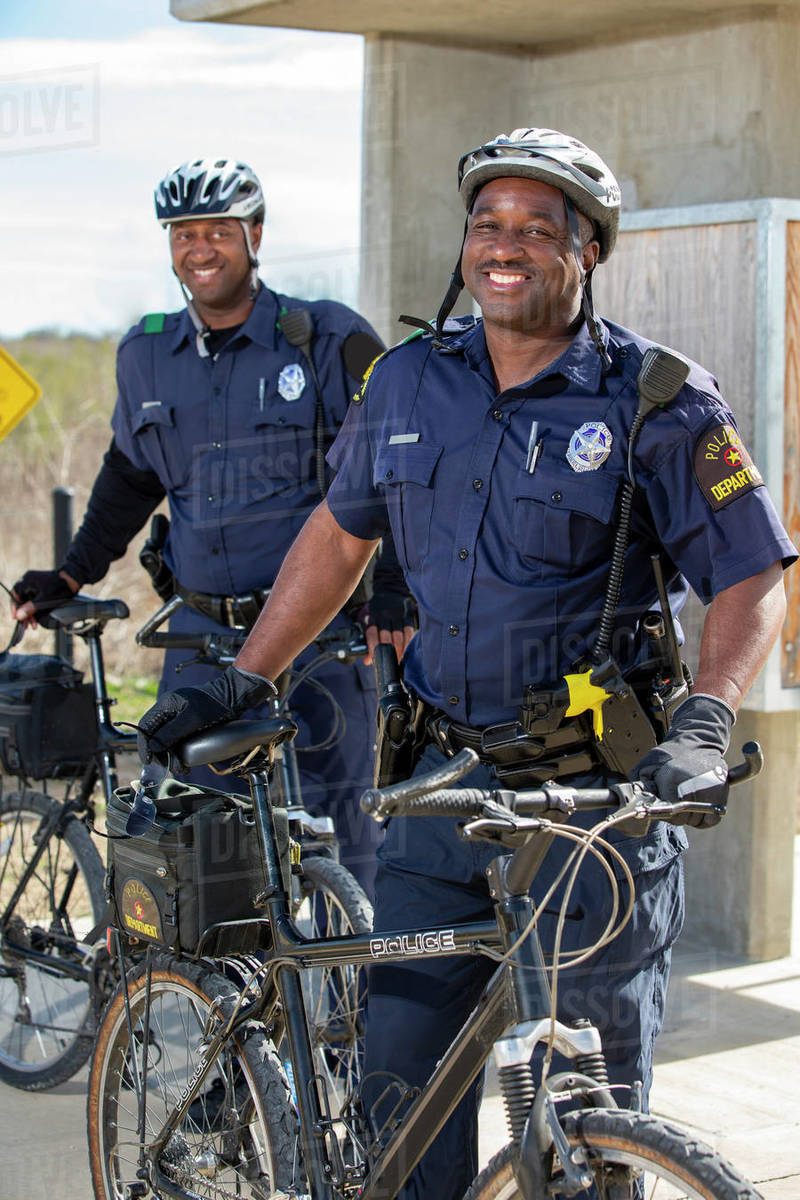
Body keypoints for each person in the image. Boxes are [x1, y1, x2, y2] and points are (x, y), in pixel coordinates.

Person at [134, 130, 796, 1198]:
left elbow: (751, 572)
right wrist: (246, 674)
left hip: (597, 807)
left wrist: (709, 718)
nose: (505, 247)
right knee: (401, 1095)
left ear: (587, 252)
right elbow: (339, 537)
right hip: (441, 796)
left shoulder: (656, 402)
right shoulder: (402, 384)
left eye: (537, 229)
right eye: (486, 225)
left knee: (590, 1109)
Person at [12, 156, 414, 899]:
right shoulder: (146, 353)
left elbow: (395, 472)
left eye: (218, 231)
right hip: (200, 644)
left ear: (255, 234)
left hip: (319, 643)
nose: (200, 248)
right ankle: (219, 1002)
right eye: (183, 233)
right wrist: (72, 572)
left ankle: (351, 1010)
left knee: (342, 833)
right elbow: (130, 476)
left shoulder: (324, 338)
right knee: (196, 842)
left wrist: (393, 588)